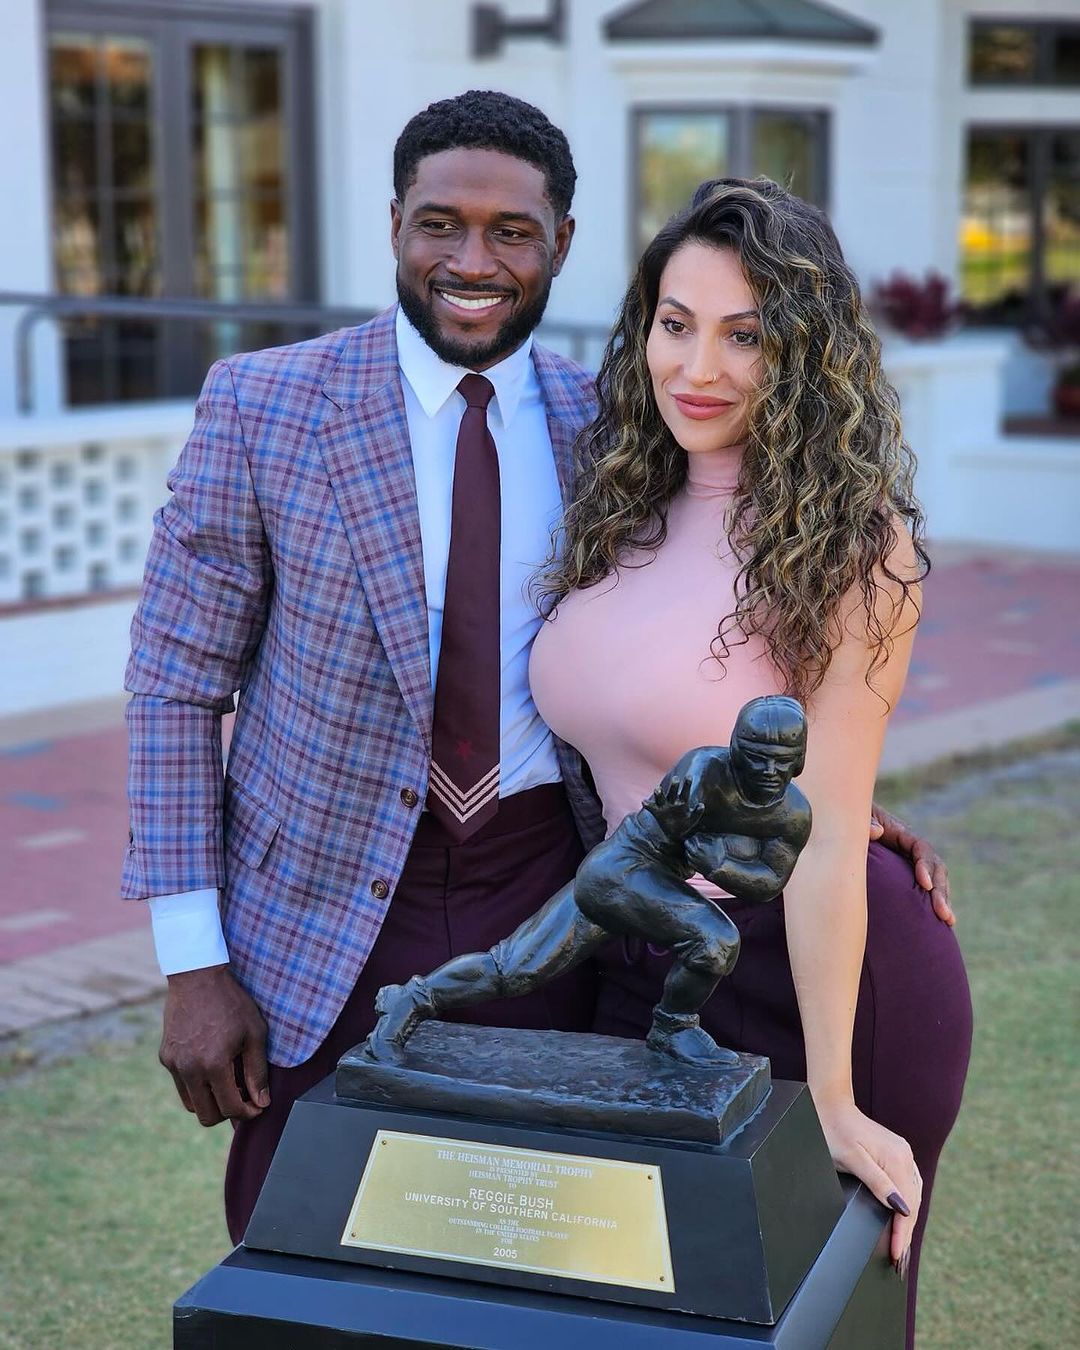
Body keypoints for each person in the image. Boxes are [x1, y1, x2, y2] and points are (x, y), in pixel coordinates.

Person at [123, 89, 949, 1248]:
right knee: (296, 1236)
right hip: (324, 908)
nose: (473, 261)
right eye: (439, 224)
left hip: (555, 894)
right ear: (395, 225)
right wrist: (191, 961)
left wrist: (832, 806)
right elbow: (173, 684)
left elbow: (722, 638)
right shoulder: (265, 404)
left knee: (537, 1245)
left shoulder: (607, 425)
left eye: (511, 231)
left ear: (560, 242)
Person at [527, 177, 972, 1348]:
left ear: (804, 353)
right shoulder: (618, 505)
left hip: (821, 977)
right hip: (651, 960)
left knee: (825, 1323)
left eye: (746, 335)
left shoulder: (857, 549)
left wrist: (833, 1097)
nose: (699, 368)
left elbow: (821, 831)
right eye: (676, 324)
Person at [365, 695, 811, 1069]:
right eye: (756, 757)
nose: (768, 771)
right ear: (735, 749)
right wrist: (694, 842)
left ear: (799, 761)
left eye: (782, 761)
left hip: (638, 882)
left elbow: (768, 883)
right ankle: (673, 1026)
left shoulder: (792, 814)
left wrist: (718, 863)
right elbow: (677, 830)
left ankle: (411, 998)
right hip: (621, 870)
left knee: (512, 969)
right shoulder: (705, 770)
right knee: (715, 940)